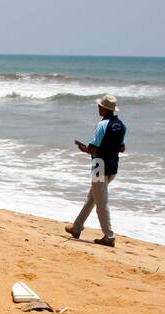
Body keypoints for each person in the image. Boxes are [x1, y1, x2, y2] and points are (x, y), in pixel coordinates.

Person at [65, 94, 126, 247]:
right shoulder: (121, 125)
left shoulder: (102, 125)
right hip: (113, 167)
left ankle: (109, 236)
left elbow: (92, 149)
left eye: (99, 106)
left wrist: (83, 148)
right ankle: (76, 227)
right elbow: (122, 148)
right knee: (92, 198)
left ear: (104, 108)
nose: (98, 108)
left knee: (101, 203)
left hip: (99, 165)